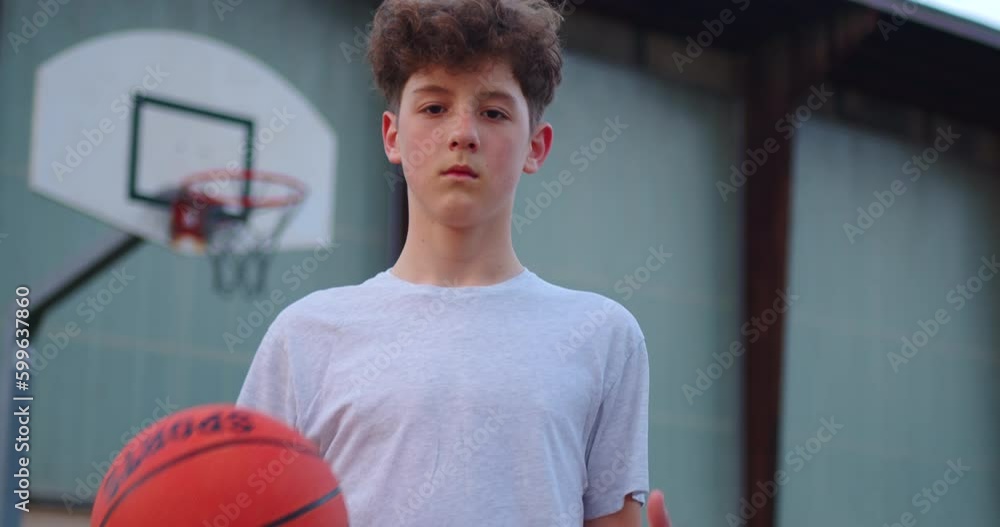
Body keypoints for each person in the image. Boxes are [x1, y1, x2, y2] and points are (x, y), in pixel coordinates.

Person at [237, 0, 671, 524]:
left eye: (494, 112)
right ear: (392, 136)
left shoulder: (603, 337)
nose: (463, 132)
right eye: (434, 108)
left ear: (536, 147)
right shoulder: (305, 335)